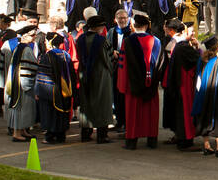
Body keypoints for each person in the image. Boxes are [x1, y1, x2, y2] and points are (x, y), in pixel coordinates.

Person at [121, 10, 163, 150]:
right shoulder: (156, 42)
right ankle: (152, 141)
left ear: (135, 25)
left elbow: (123, 65)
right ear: (146, 26)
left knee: (133, 113)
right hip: (152, 84)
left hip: (132, 84)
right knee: (151, 113)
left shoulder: (127, 42)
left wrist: (123, 85)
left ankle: (132, 141)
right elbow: (162, 64)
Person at [161, 20, 200, 151]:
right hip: (185, 85)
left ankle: (182, 138)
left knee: (181, 112)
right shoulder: (183, 46)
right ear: (183, 31)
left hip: (179, 84)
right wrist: (200, 48)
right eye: (191, 31)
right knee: (185, 112)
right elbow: (198, 59)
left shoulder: (177, 45)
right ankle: (185, 141)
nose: (193, 33)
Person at [73, 15, 113, 144]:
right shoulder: (101, 40)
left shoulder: (80, 39)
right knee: (102, 103)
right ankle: (102, 135)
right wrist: (112, 69)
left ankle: (86, 133)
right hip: (100, 74)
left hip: (84, 74)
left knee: (86, 103)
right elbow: (108, 59)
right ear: (98, 27)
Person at [35, 33, 77, 145]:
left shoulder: (47, 56)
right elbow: (72, 75)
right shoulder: (66, 55)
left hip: (51, 91)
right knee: (62, 113)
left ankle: (49, 137)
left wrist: (39, 91)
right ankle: (61, 136)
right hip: (65, 90)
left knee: (50, 113)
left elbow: (42, 77)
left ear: (50, 42)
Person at [4, 23, 40, 142]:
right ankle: (17, 133)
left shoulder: (20, 48)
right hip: (22, 85)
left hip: (17, 83)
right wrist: (28, 84)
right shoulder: (26, 50)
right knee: (21, 108)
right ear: (25, 36)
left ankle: (23, 130)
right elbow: (27, 68)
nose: (34, 37)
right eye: (32, 35)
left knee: (24, 108)